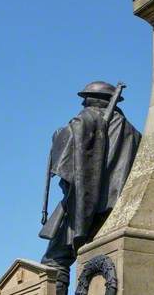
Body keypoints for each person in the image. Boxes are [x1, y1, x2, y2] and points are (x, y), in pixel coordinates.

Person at [39, 82, 141, 283]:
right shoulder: (132, 132)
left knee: (53, 261)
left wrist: (58, 135)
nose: (84, 104)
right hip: (116, 210)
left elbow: (65, 153)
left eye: (86, 100)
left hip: (83, 208)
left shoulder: (84, 121)